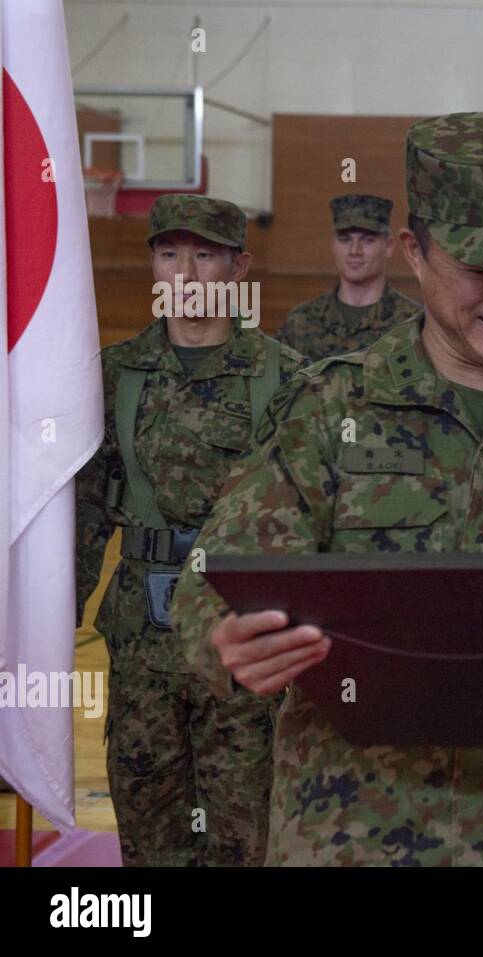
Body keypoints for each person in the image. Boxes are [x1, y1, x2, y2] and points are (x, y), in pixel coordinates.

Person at [171, 113, 483, 866]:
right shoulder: (332, 410)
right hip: (339, 840)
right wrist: (225, 640)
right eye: (480, 269)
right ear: (416, 252)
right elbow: (210, 581)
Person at [75, 194, 307, 865]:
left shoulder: (283, 378)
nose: (187, 273)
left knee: (244, 836)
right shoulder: (115, 375)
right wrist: (50, 623)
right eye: (170, 254)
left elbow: (303, 519)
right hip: (142, 647)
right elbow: (88, 510)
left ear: (238, 267)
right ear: (153, 266)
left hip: (242, 645)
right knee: (148, 834)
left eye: (205, 255)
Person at [275, 193, 421, 362]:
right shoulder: (301, 321)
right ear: (333, 244)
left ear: (388, 246)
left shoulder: (412, 323)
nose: (354, 251)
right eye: (345, 240)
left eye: (368, 240)